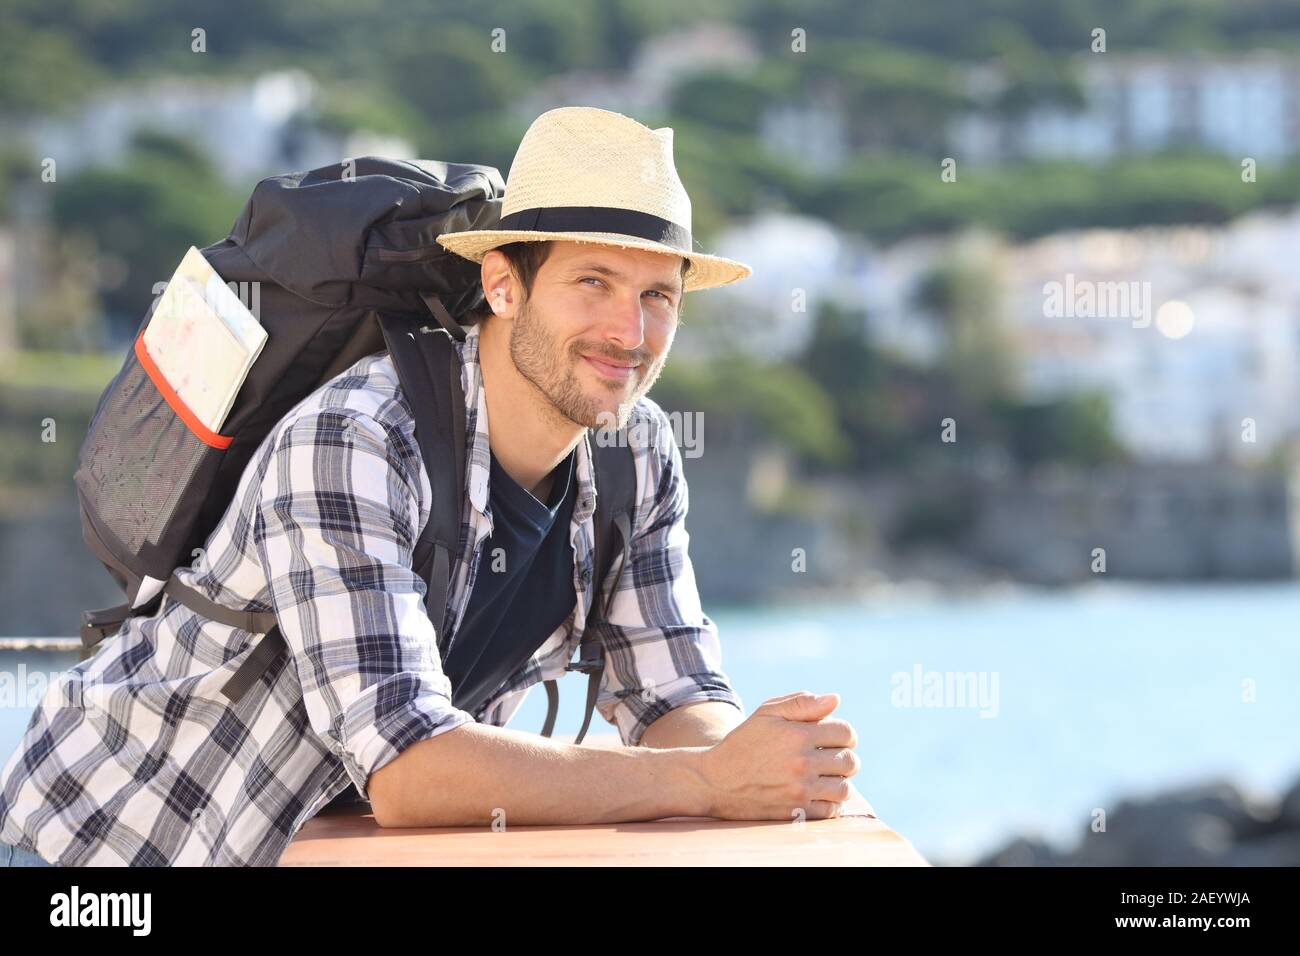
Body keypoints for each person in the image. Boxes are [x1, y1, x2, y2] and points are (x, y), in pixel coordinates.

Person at [0, 106, 859, 866]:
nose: (628, 330)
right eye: (591, 282)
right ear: (502, 284)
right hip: (100, 848)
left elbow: (676, 693)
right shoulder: (361, 436)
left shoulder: (635, 449)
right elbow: (408, 767)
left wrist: (760, 764)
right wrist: (705, 780)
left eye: (658, 295)